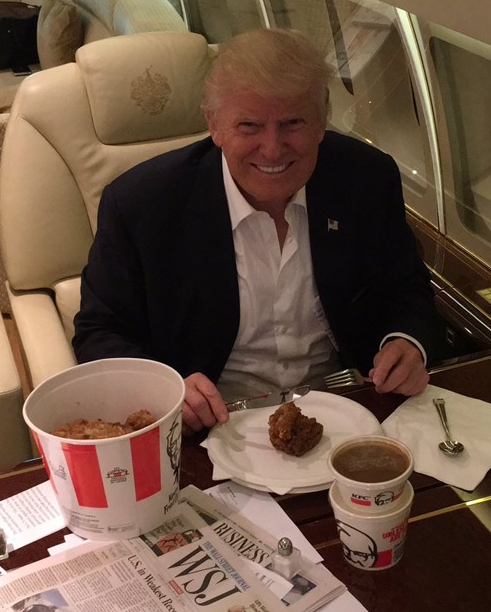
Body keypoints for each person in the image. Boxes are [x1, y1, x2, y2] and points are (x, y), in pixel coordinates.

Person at [72, 28, 451, 434]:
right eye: (249, 126)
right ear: (214, 125)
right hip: (210, 425)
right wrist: (164, 391)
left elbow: (407, 290)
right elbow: (100, 333)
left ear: (322, 122)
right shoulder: (141, 204)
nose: (272, 148)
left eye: (293, 123)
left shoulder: (367, 179)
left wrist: (408, 343)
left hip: (346, 410)